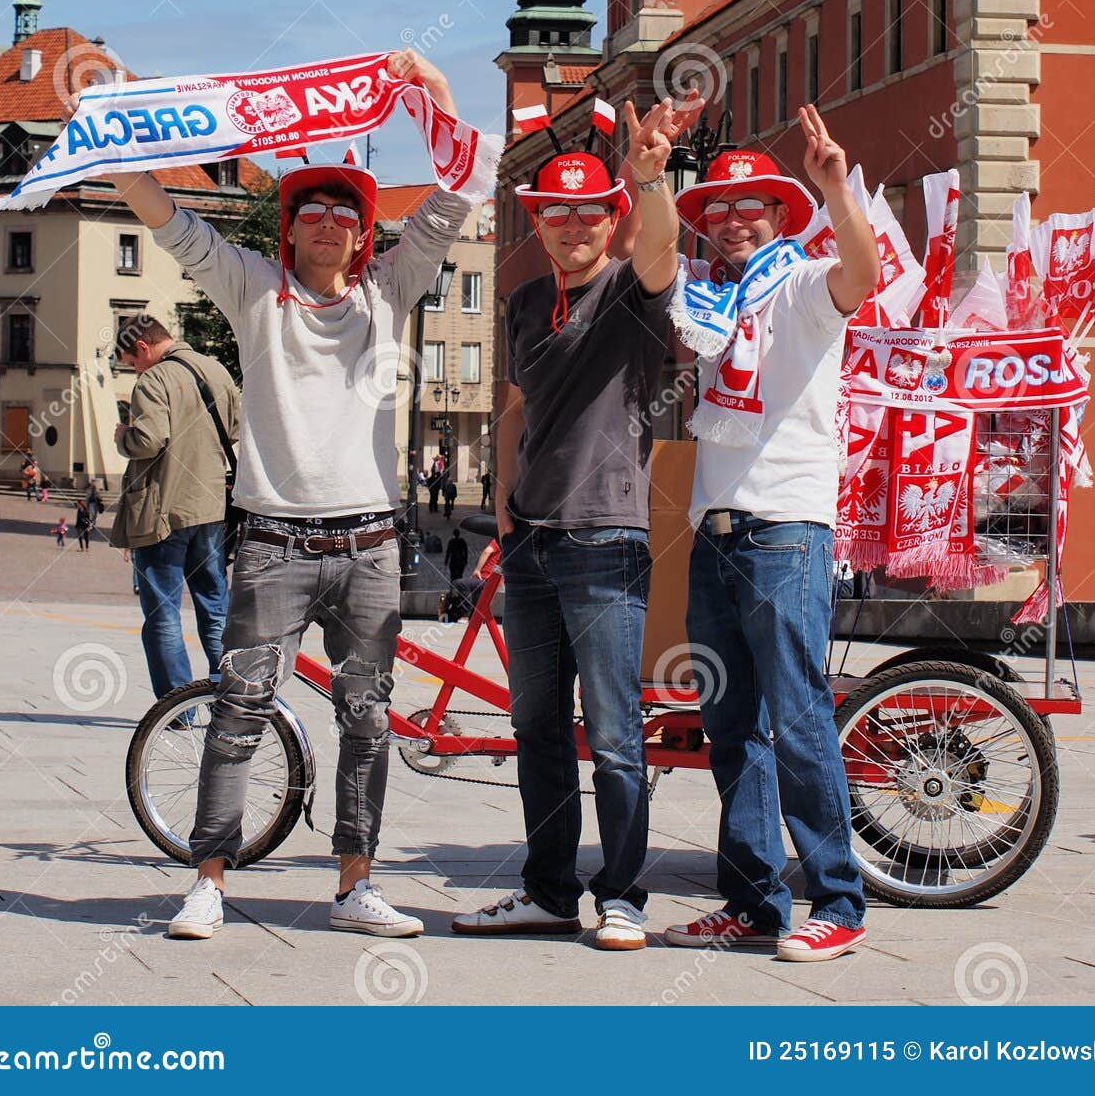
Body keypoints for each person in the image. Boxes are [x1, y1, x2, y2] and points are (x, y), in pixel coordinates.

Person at [102, 48, 471, 943]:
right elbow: (171, 220)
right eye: (311, 210)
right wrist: (115, 144)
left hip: (371, 546)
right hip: (273, 543)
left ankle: (354, 884)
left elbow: (460, 190)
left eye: (345, 212)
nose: (329, 224)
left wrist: (440, 94)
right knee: (239, 713)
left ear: (363, 231)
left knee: (369, 722)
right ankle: (208, 882)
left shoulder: (391, 290)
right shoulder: (254, 291)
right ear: (290, 229)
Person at [453, 98, 684, 953]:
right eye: (558, 212)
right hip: (533, 541)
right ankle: (548, 890)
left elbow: (660, 254)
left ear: (609, 218)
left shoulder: (631, 292)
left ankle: (622, 895)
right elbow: (513, 408)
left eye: (591, 212)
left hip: (606, 537)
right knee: (536, 729)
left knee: (616, 733)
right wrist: (505, 496)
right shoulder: (519, 302)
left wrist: (650, 179)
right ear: (539, 220)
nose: (574, 225)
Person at [662, 106, 879, 963]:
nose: (732, 217)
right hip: (715, 528)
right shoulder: (708, 302)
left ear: (782, 216)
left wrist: (838, 188)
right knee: (731, 728)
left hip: (785, 525)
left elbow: (859, 274)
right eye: (717, 209)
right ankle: (753, 903)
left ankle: (838, 899)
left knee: (797, 716)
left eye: (751, 205)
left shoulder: (800, 284)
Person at [112, 315, 239, 703]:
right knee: (215, 607)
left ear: (143, 348)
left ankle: (177, 708)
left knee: (164, 614)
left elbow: (149, 441)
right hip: (212, 509)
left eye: (132, 361)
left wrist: (124, 437)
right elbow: (235, 429)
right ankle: (232, 700)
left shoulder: (153, 381)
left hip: (163, 511)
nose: (134, 369)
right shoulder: (215, 369)